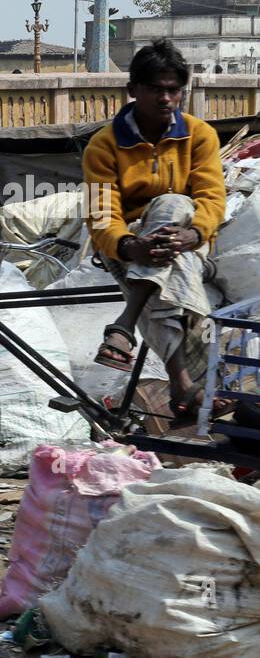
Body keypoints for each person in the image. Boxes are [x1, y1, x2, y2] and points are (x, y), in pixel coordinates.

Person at [83, 38, 226, 420]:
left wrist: (193, 234)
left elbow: (212, 199)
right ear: (133, 91)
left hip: (187, 239)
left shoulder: (200, 135)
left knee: (175, 204)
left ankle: (125, 324)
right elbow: (101, 216)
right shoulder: (103, 144)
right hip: (128, 244)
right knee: (166, 258)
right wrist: (131, 246)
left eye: (173, 90)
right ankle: (185, 384)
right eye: (155, 89)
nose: (166, 99)